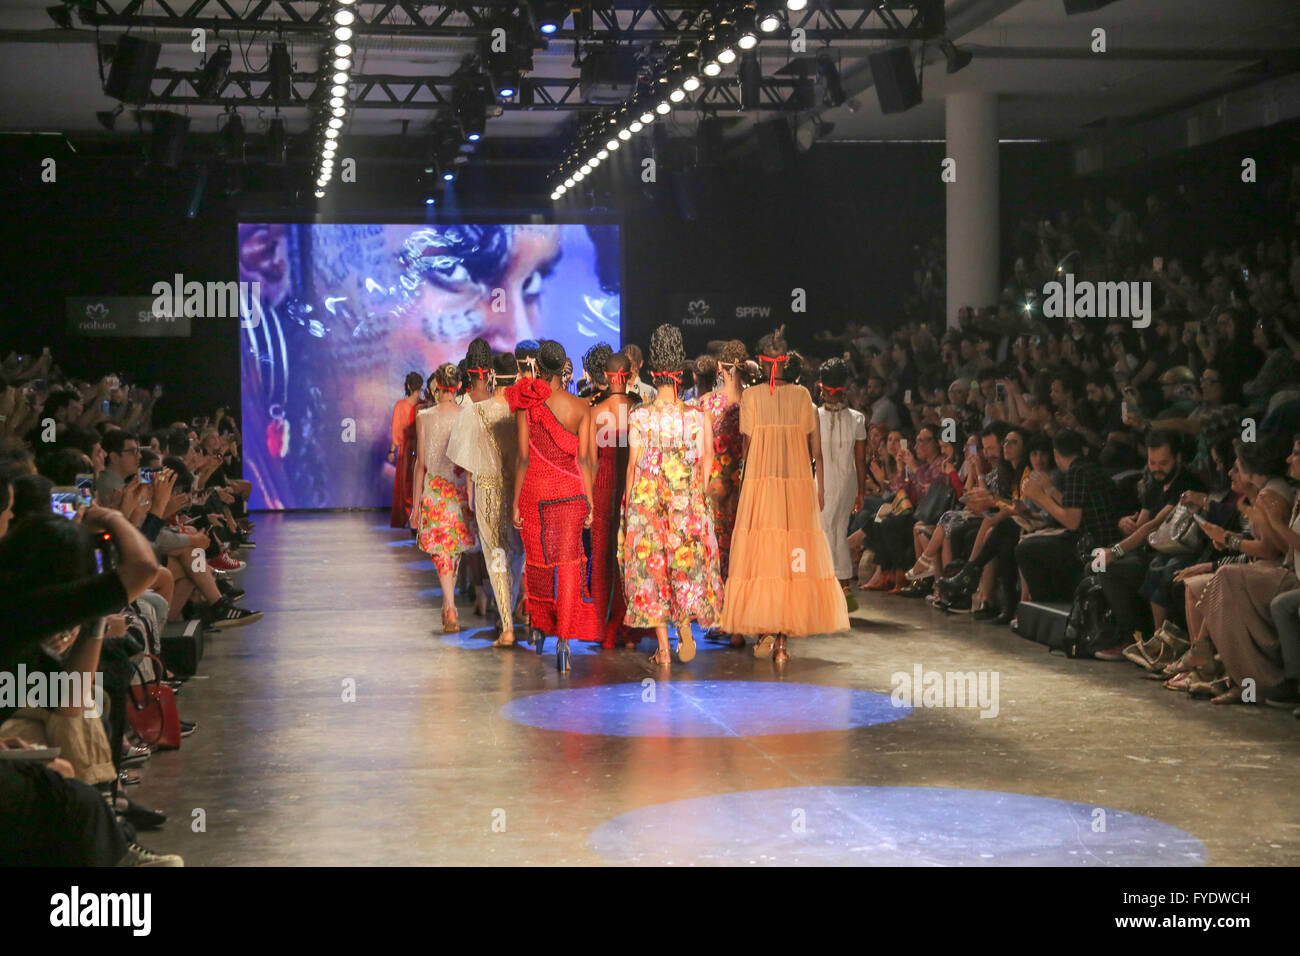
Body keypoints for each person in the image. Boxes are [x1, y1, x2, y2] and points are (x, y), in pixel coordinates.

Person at [721, 327, 848, 663]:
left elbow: (747, 449)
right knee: (794, 558)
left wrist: (741, 488)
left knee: (764, 556)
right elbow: (815, 450)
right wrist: (820, 488)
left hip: (761, 485)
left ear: (762, 363)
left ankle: (765, 627)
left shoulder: (752, 397)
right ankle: (781, 642)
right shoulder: (803, 396)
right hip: (797, 486)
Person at [619, 325, 723, 666]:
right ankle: (684, 624)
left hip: (647, 502)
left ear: (652, 371)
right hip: (686, 500)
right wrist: (695, 495)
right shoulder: (697, 415)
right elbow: (708, 459)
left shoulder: (640, 415)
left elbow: (633, 466)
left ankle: (664, 649)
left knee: (653, 569)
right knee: (685, 564)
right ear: (681, 369)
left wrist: (628, 506)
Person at [509, 340, 600, 671]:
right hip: (571, 494)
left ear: (538, 368)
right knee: (569, 563)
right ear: (564, 368)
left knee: (538, 562)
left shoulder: (528, 405)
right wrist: (590, 501)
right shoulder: (581, 407)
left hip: (536, 492)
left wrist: (516, 502)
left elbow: (522, 457)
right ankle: (564, 640)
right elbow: (587, 460)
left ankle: (539, 626)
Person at [448, 343, 523, 646]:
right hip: (518, 490)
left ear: (493, 376)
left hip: (488, 489)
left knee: (496, 554)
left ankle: (507, 624)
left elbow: (463, 460)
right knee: (516, 552)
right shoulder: (521, 413)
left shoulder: (476, 412)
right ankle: (509, 613)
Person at [411, 364, 477, 633]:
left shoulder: (424, 417)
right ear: (458, 385)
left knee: (443, 553)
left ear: (437, 385)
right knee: (454, 550)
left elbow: (420, 464)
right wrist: (471, 495)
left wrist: (415, 505)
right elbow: (470, 462)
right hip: (459, 491)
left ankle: (449, 604)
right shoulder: (467, 416)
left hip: (434, 491)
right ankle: (449, 605)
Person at [591, 352, 635, 648]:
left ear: (606, 377)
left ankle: (600, 626)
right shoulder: (638, 410)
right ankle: (628, 627)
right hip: (632, 485)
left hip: (604, 484)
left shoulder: (597, 412)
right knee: (628, 556)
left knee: (603, 557)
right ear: (628, 376)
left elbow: (589, 459)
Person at [698, 340, 747, 600]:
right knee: (742, 542)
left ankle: (718, 602)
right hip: (746, 482)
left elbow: (703, 452)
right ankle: (739, 604)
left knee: (715, 543)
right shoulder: (753, 400)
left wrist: (700, 486)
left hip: (715, 481)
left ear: (720, 367)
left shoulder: (707, 403)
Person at [816, 358, 867, 596]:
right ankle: (843, 590)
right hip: (848, 481)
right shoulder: (857, 418)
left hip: (823, 482)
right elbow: (860, 460)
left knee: (827, 531)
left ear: (821, 386)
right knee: (838, 531)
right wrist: (861, 492)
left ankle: (828, 592)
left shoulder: (814, 416)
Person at [389, 371, 425, 530]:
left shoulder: (400, 405)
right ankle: (419, 518)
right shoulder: (425, 405)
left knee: (405, 484)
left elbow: (396, 431)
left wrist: (392, 451)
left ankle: (408, 516)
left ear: (408, 386)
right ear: (421, 386)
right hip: (422, 447)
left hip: (406, 450)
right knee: (419, 482)